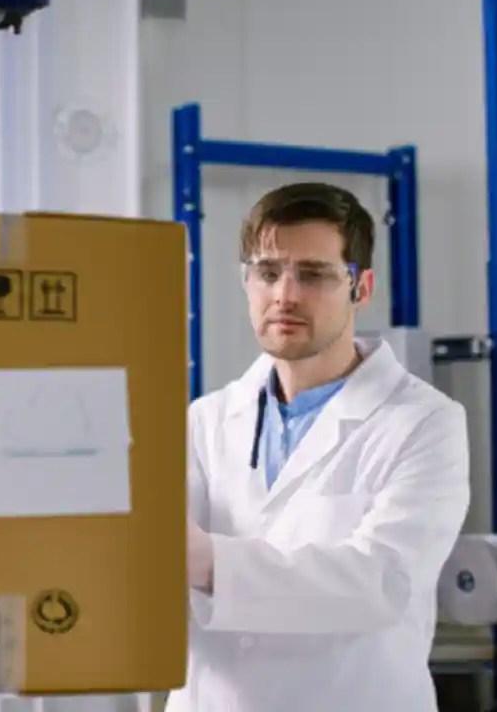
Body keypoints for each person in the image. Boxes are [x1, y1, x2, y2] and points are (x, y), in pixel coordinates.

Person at [167, 182, 471, 712]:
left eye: (313, 274)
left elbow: (381, 582)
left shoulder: (425, 423)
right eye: (267, 273)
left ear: (361, 287)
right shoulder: (208, 419)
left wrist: (209, 562)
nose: (284, 295)